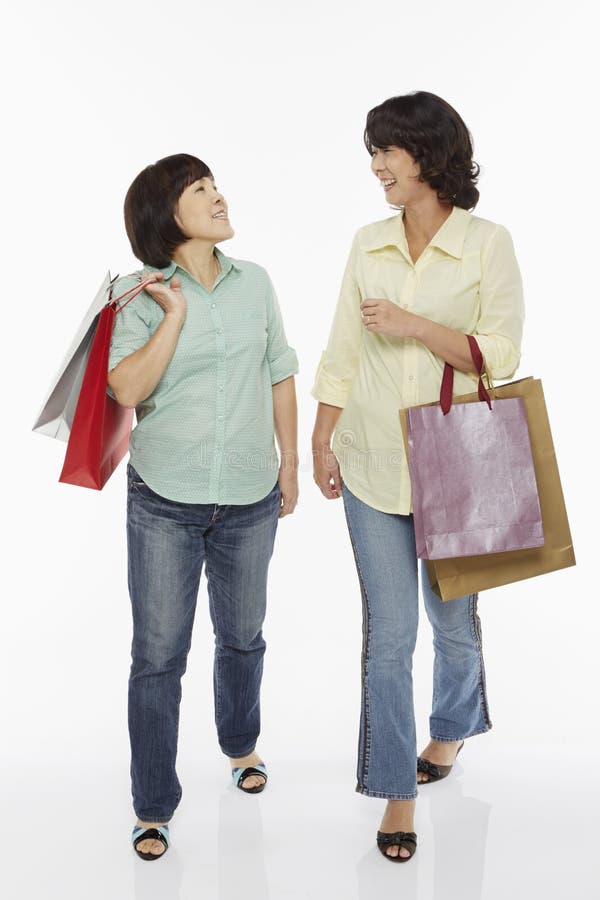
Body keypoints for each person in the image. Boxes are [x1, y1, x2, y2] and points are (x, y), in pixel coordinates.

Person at [311, 91, 524, 863]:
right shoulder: (368, 243)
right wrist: (322, 435)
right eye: (373, 152)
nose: (376, 166)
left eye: (387, 151)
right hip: (371, 455)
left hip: (457, 459)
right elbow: (343, 345)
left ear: (429, 155)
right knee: (389, 636)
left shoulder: (486, 243)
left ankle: (452, 727)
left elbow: (501, 354)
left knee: (453, 624)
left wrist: (414, 326)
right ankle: (395, 789)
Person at [108, 153, 299, 860]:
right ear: (167, 213)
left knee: (244, 636)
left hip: (250, 494)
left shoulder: (258, 284)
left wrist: (290, 462)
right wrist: (175, 314)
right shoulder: (138, 292)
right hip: (164, 498)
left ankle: (240, 744)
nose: (220, 197)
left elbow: (279, 371)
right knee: (158, 656)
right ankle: (153, 804)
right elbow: (127, 389)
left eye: (216, 185)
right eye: (201, 189)